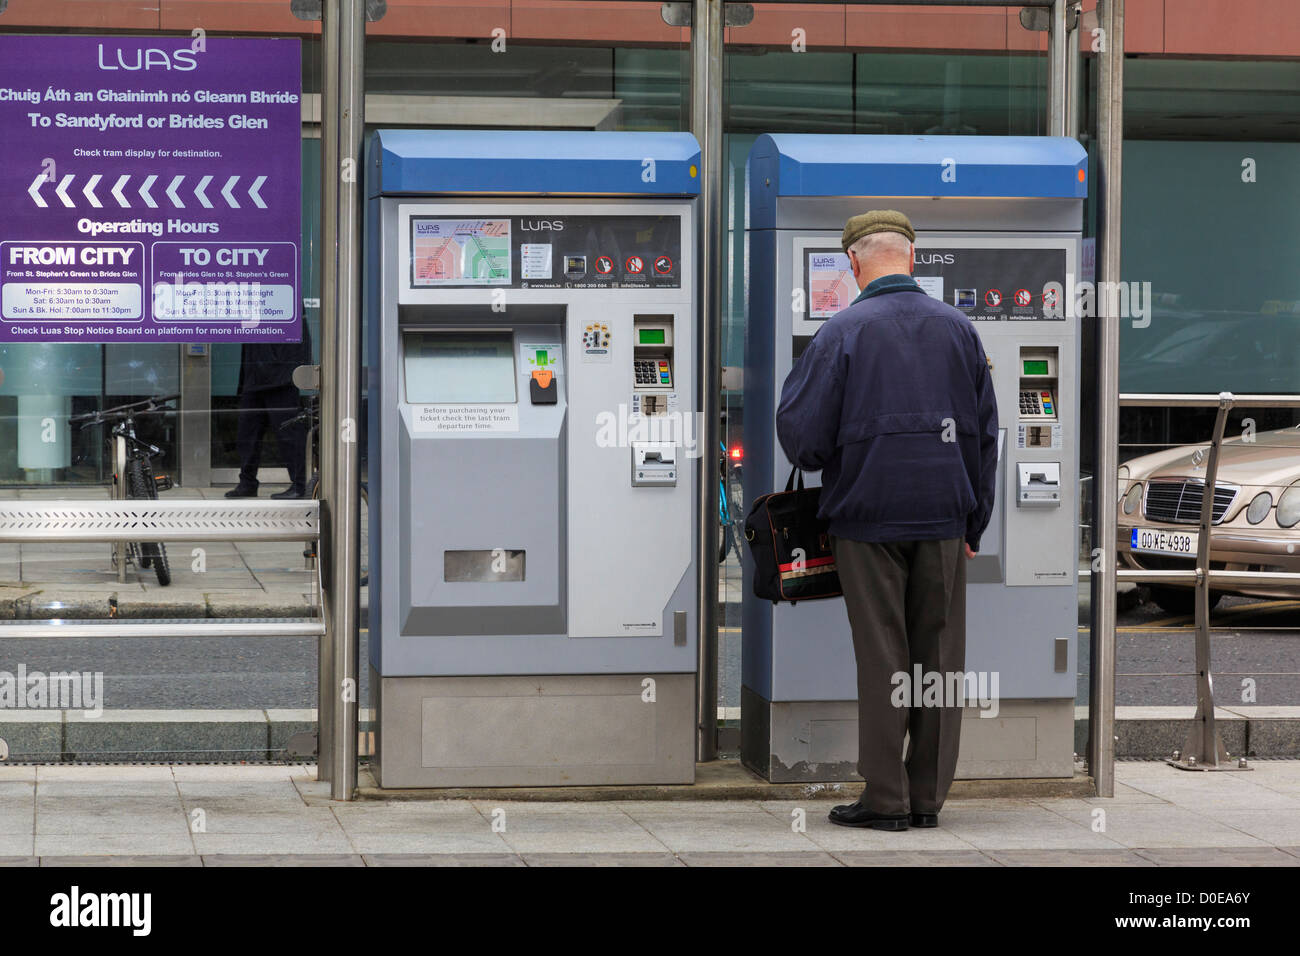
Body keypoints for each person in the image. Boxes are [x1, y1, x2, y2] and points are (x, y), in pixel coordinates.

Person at [776, 210, 999, 831]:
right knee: (939, 665)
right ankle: (927, 798)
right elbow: (986, 436)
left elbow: (804, 440)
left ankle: (886, 800)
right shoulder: (961, 331)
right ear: (911, 256)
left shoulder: (841, 332)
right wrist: (973, 525)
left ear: (853, 263)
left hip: (866, 524)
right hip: (945, 523)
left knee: (885, 661)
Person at [225, 329, 311, 499]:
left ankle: (300, 485)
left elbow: (297, 338)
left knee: (288, 433)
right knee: (247, 433)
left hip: (281, 374)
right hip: (254, 373)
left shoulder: (288, 305)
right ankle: (247, 482)